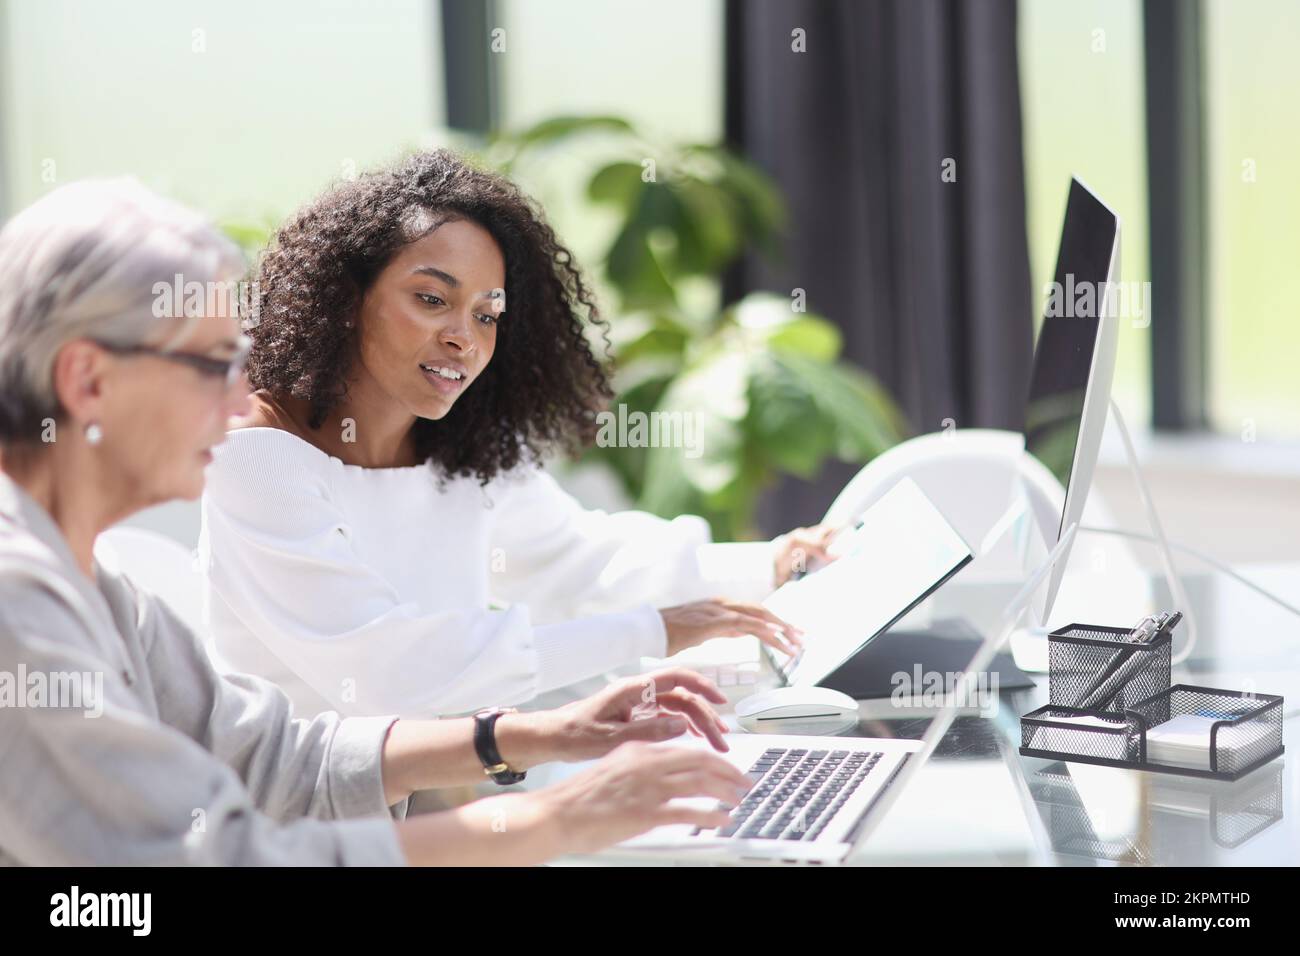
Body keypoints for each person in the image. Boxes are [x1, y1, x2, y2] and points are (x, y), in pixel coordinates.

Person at [0, 179, 750, 866]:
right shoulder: (17, 605)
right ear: (88, 380)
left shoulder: (98, 589)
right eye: (211, 366)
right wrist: (551, 820)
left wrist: (536, 735)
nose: (240, 404)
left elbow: (275, 756)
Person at [200, 148, 839, 720]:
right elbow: (394, 674)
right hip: (304, 829)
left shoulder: (458, 447)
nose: (464, 338)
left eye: (487, 314)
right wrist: (653, 631)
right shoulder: (253, 458)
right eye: (431, 299)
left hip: (444, 791)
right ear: (345, 297)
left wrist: (768, 563)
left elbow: (577, 561)